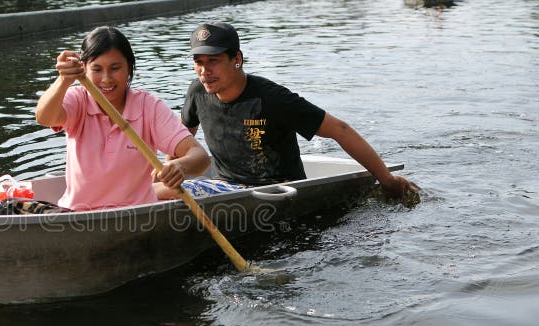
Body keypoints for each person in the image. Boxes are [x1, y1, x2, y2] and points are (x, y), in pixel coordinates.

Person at [178, 22, 418, 199]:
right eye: (199, 62)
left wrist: (387, 180)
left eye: (213, 61)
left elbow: (340, 130)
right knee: (164, 188)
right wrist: (171, 170)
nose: (205, 71)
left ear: (236, 59)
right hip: (224, 186)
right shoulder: (197, 92)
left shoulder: (272, 98)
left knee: (166, 191)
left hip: (279, 190)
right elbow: (178, 143)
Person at [35, 26, 210, 211]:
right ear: (84, 69)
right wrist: (63, 81)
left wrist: (179, 166)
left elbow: (200, 157)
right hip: (78, 214)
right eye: (96, 69)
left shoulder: (148, 106)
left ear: (129, 67)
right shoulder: (78, 99)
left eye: (115, 68)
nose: (106, 79)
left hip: (137, 215)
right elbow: (44, 118)